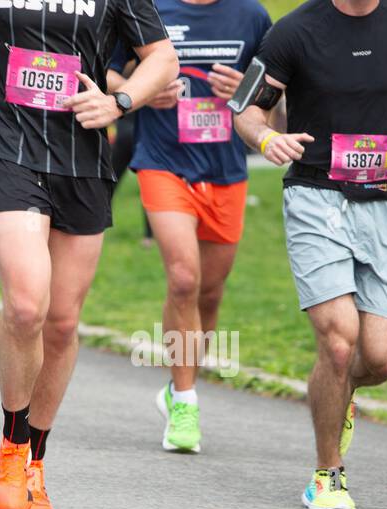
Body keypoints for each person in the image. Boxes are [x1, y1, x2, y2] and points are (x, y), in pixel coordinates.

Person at [0, 0, 178, 509]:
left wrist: (119, 101)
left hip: (81, 157)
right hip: (5, 144)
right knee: (28, 304)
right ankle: (12, 445)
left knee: (60, 323)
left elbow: (163, 59)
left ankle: (36, 458)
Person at [234, 0, 387, 509]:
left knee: (379, 357)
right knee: (338, 341)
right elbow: (246, 106)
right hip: (316, 198)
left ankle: (340, 396)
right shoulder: (293, 32)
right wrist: (266, 136)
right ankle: (327, 474)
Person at [109, 0, 271, 455]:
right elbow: (105, 70)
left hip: (225, 168)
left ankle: (178, 383)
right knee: (183, 279)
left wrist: (246, 90)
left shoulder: (252, 15)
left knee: (209, 293)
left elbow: (275, 94)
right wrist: (141, 89)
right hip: (164, 163)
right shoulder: (148, 7)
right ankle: (185, 401)